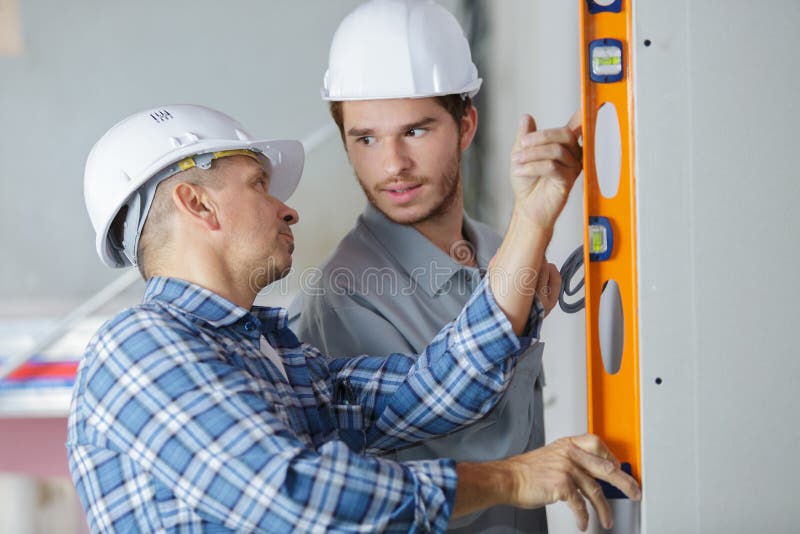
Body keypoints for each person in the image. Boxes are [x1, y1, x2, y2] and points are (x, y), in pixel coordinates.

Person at [67, 103, 638, 533]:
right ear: (198, 204)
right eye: (259, 185)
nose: (287, 208)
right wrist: (512, 478)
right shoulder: (136, 347)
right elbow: (292, 496)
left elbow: (430, 391)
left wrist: (534, 216)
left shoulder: (270, 353)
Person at [292, 1, 571, 530]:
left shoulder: (497, 250)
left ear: (465, 126)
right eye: (366, 138)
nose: (393, 164)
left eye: (415, 131)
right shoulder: (341, 299)